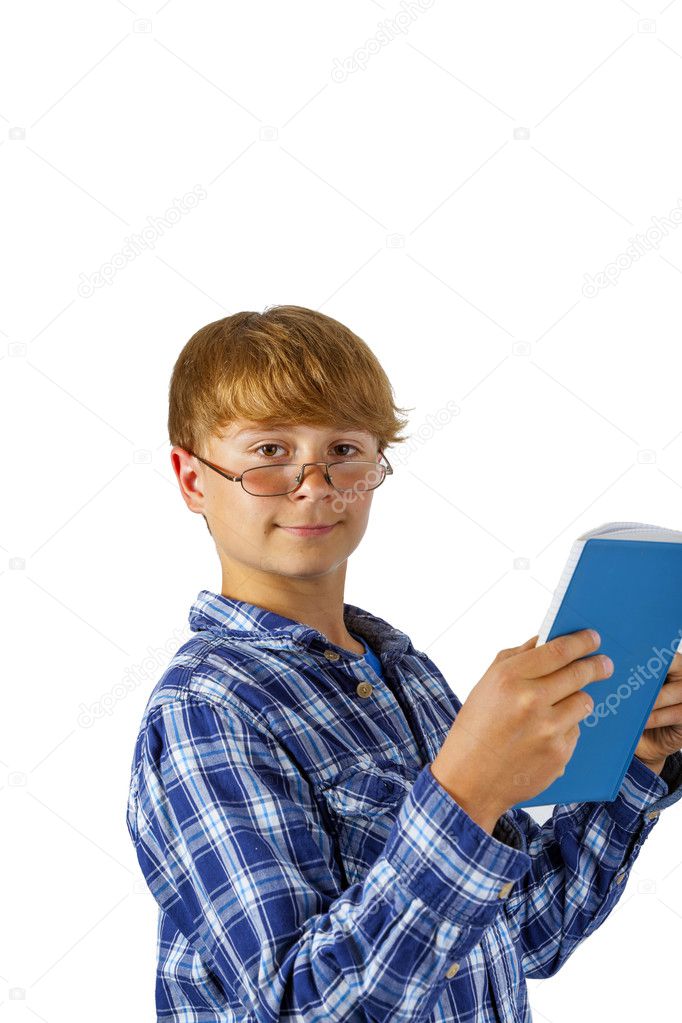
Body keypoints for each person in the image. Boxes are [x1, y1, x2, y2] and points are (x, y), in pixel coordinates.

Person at [126, 304, 682, 1022]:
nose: (315, 483)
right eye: (269, 450)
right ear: (193, 478)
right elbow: (299, 1008)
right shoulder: (207, 708)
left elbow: (524, 934)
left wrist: (637, 760)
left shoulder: (404, 674)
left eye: (343, 449)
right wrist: (467, 794)